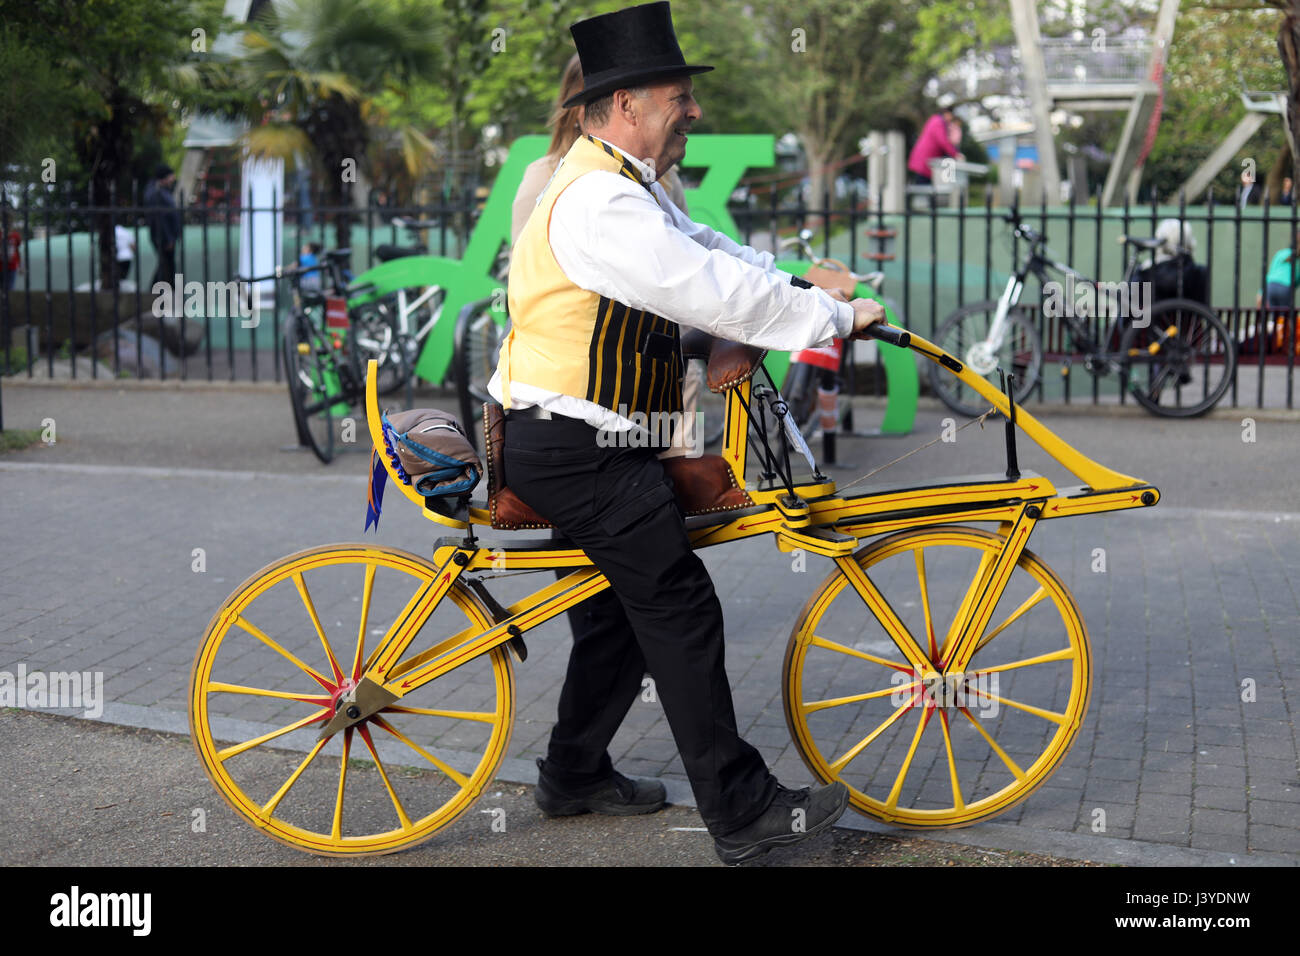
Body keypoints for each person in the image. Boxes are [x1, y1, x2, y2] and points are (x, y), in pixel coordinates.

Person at [493, 0, 885, 864]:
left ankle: (573, 772)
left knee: (614, 617)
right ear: (628, 104)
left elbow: (717, 256)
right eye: (681, 96)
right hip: (578, 447)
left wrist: (806, 289)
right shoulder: (600, 200)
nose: (694, 112)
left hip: (582, 437)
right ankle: (744, 814)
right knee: (676, 602)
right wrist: (833, 318)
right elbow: (711, 294)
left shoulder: (621, 184)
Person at [144, 165, 181, 290]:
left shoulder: (161, 191)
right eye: (170, 176)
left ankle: (159, 293)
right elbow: (159, 218)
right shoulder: (156, 192)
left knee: (166, 266)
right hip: (163, 237)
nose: (173, 179)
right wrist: (168, 238)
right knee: (166, 266)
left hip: (166, 236)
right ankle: (156, 293)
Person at [908, 106, 963, 185]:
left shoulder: (936, 120)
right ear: (947, 114)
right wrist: (955, 154)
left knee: (923, 187)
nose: (951, 119)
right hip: (925, 161)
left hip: (925, 161)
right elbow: (943, 141)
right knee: (923, 189)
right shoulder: (938, 122)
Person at [114, 213, 135, 288]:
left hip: (116, 257)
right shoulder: (126, 232)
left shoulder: (112, 232)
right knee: (123, 278)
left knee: (115, 278)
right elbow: (133, 246)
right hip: (127, 257)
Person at [2, 226, 19, 292]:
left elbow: (17, 251)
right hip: (2, 266)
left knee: (10, 286)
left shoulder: (15, 236)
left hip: (12, 266)